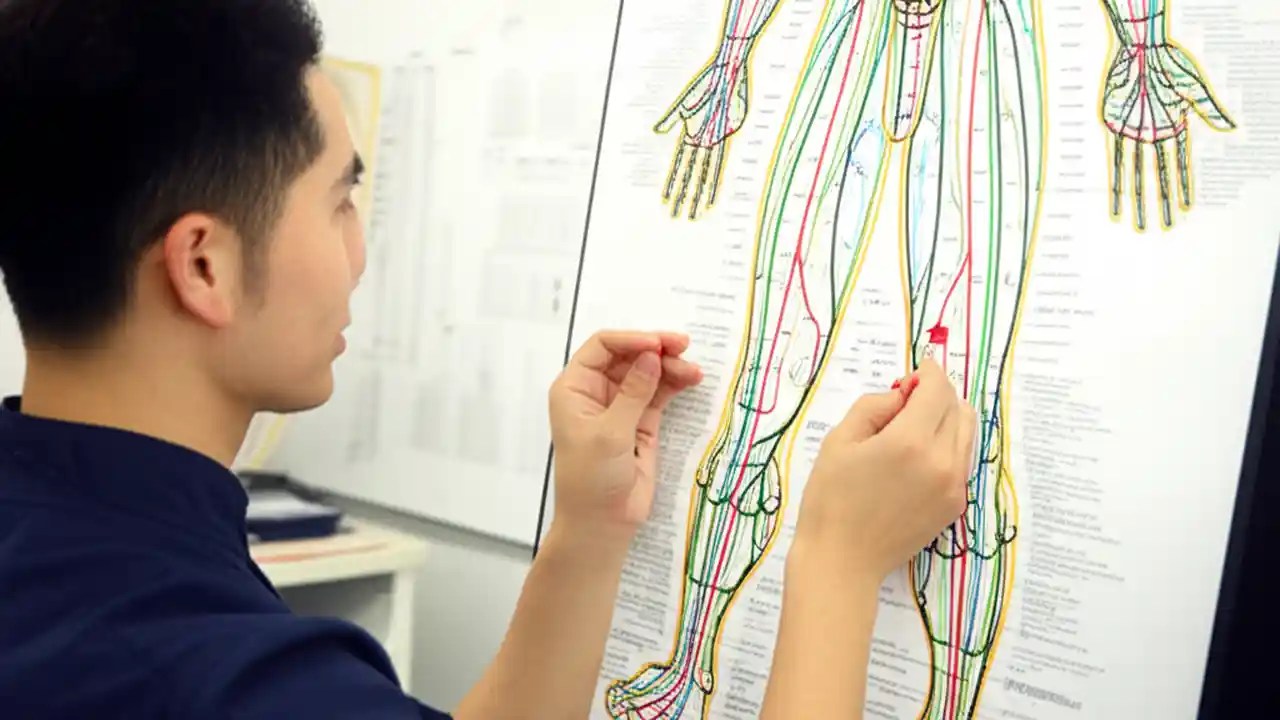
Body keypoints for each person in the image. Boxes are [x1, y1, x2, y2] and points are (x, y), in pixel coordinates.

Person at [0, 1, 975, 718]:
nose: (358, 253)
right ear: (203, 266)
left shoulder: (66, 550)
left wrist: (588, 532)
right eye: (340, 201)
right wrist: (838, 565)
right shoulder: (220, 677)